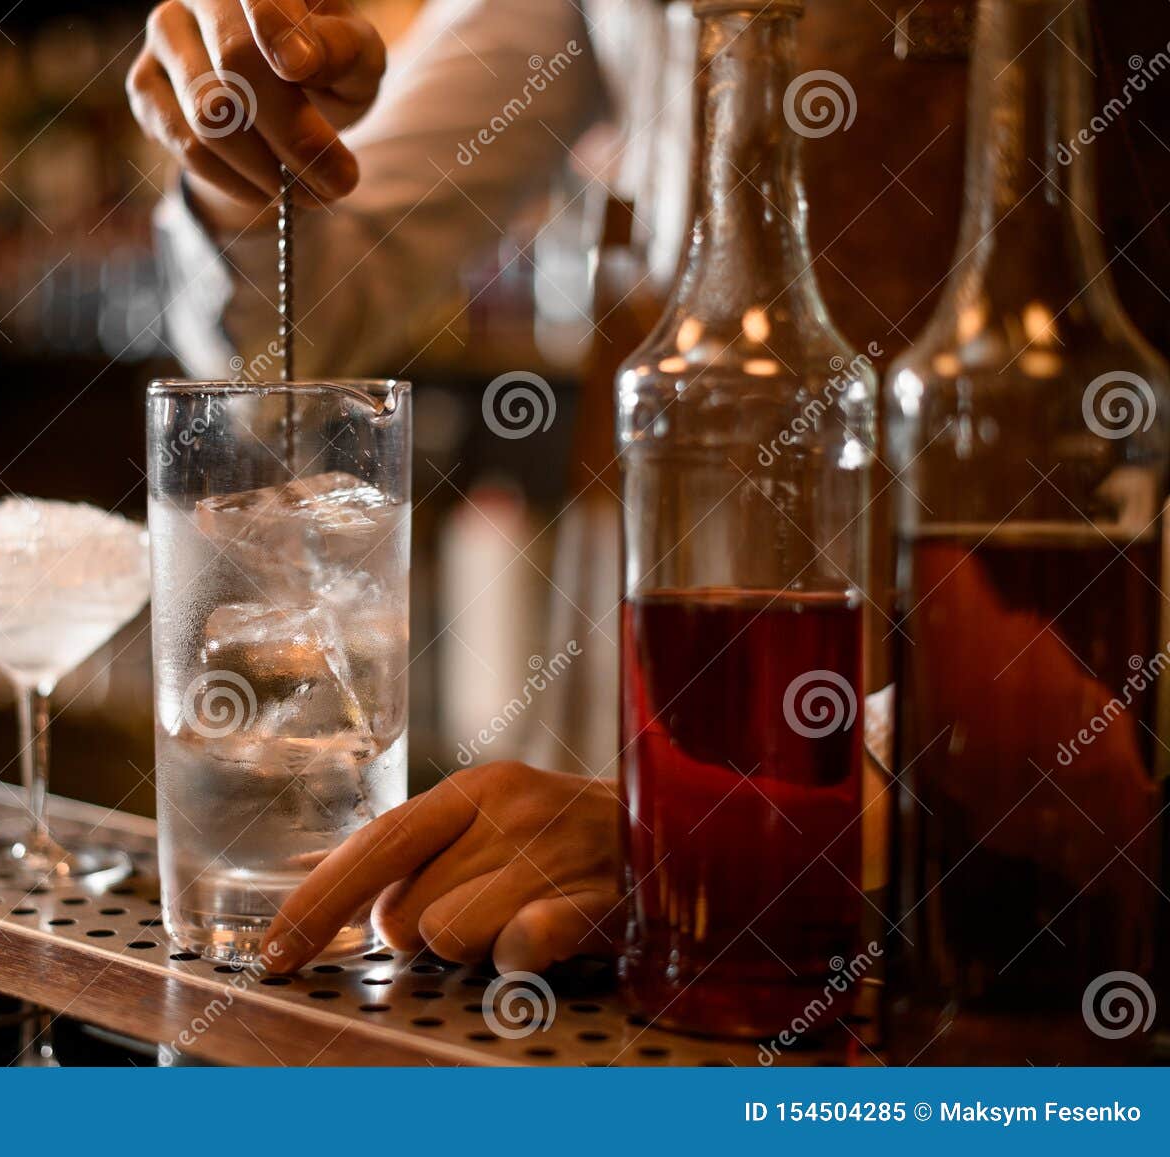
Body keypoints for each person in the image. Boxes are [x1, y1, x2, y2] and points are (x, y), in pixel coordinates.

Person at [125, 0, 1170, 972]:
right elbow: (299, 324)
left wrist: (813, 804)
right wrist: (241, 157)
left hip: (1072, 721)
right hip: (654, 700)